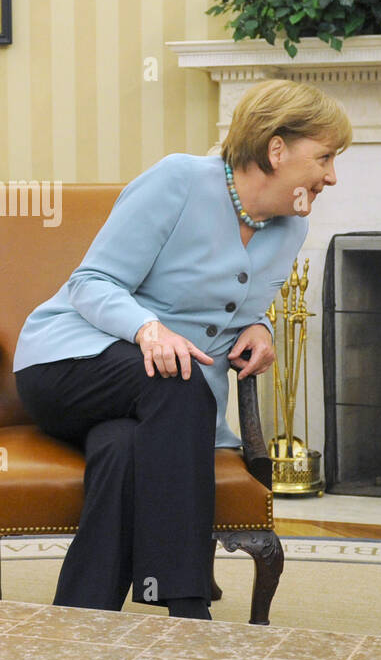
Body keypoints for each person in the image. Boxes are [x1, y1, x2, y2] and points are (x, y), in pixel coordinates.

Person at [13, 79, 349, 619]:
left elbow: (237, 303)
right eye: (325, 157)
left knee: (123, 449)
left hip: (155, 401)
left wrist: (260, 328)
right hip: (69, 360)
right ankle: (188, 604)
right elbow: (92, 282)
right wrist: (149, 330)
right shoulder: (179, 180)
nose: (332, 176)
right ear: (276, 148)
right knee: (179, 379)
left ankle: (78, 618)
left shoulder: (289, 228)